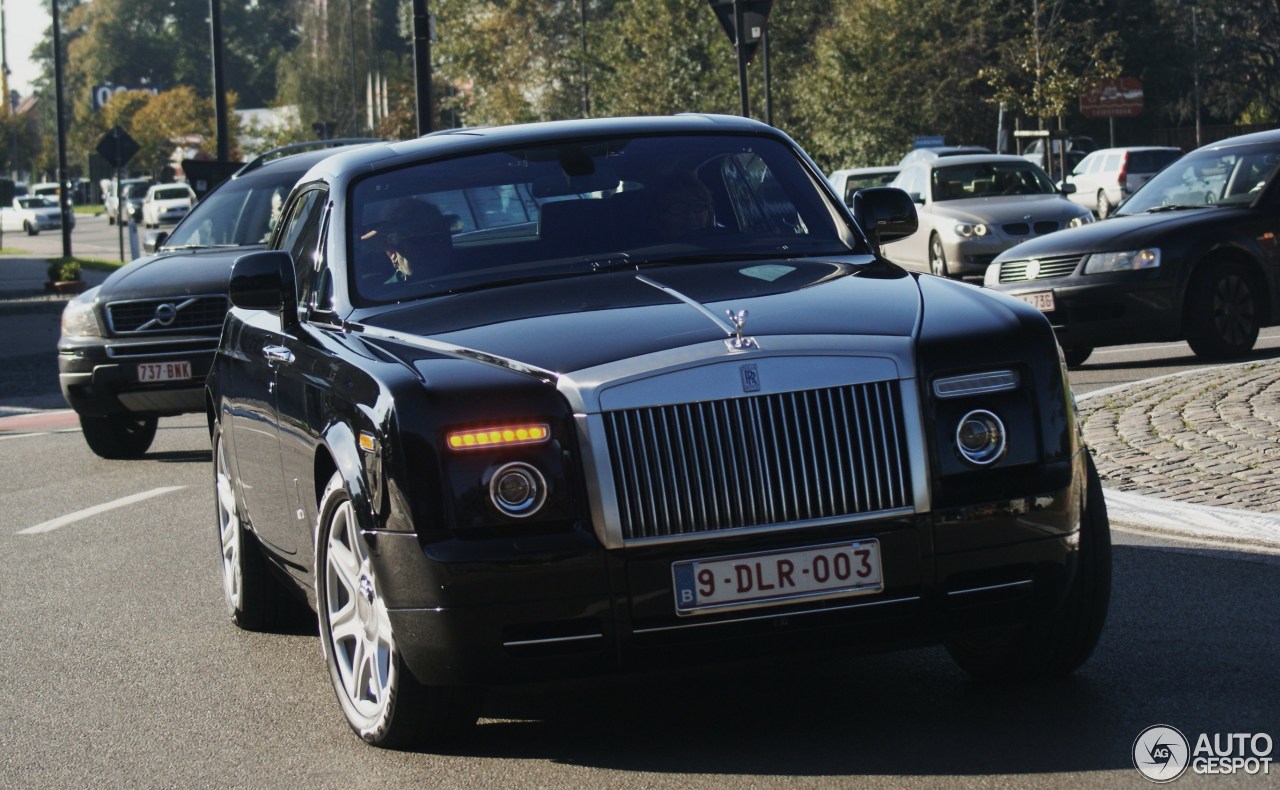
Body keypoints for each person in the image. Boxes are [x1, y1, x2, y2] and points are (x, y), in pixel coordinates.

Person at [360, 197, 454, 285]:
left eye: (437, 237)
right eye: (416, 239)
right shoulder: (378, 293)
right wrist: (368, 242)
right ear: (392, 253)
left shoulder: (466, 275)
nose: (429, 247)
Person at [653, 173, 716, 240]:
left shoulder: (720, 244)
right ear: (662, 217)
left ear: (709, 212)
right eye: (678, 208)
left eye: (697, 206)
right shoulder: (651, 250)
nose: (690, 215)